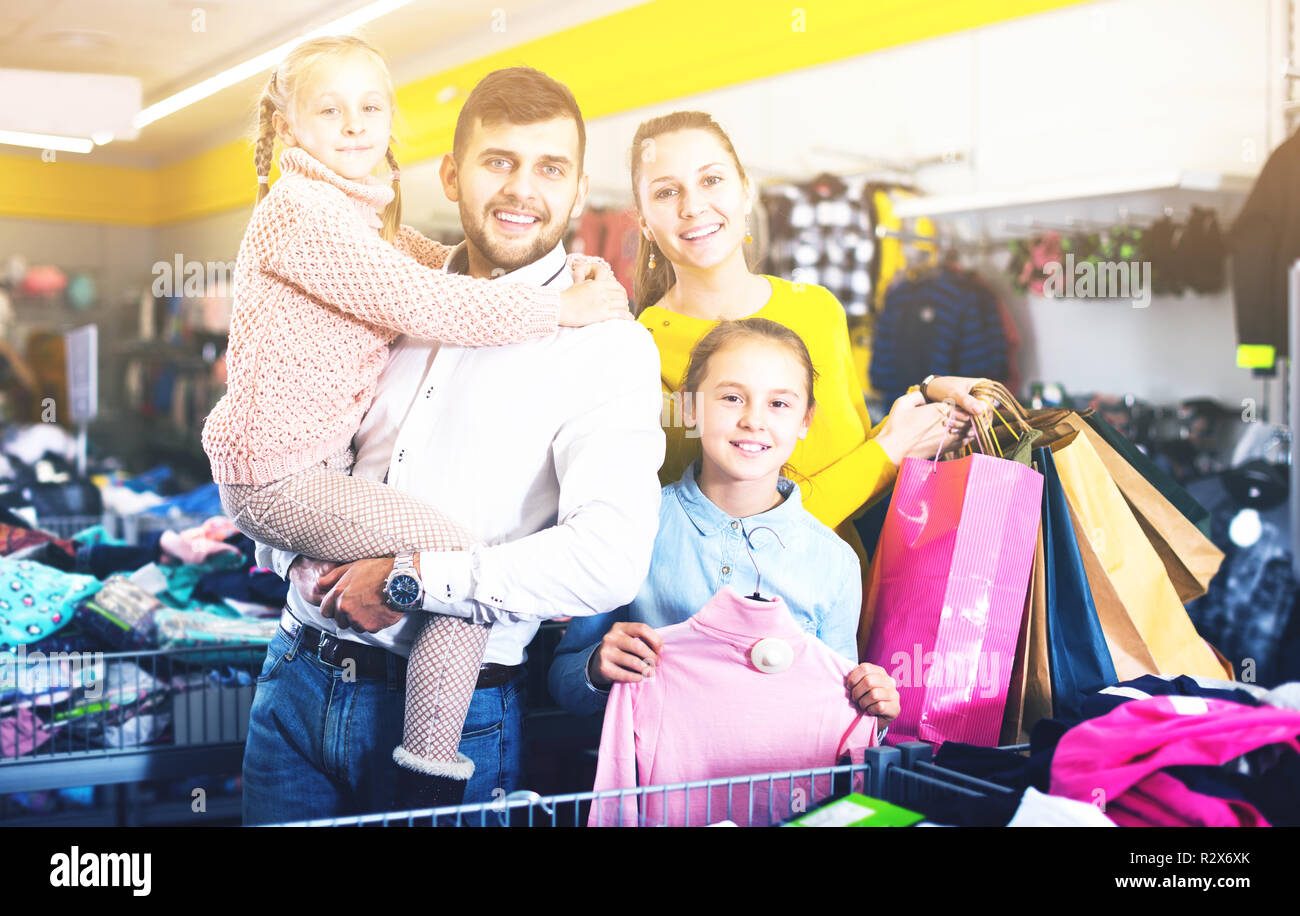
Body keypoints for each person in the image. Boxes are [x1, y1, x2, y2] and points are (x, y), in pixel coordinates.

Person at [203, 36, 631, 802]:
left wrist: (411, 582)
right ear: (450, 173)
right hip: (298, 678)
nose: (522, 189)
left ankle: (431, 763)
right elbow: (312, 471)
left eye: (550, 168)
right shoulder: (393, 285)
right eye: (498, 161)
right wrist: (292, 558)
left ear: (579, 189)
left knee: (447, 548)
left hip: (459, 707)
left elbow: (610, 561)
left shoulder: (603, 341)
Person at [627, 111, 989, 595]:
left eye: (712, 179)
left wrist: (925, 396)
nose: (694, 205)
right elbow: (719, 533)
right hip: (716, 622)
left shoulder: (817, 311)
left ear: (745, 191)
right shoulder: (635, 350)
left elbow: (852, 468)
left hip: (842, 610)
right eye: (666, 192)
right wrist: (891, 449)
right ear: (644, 222)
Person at [550, 318, 938, 727]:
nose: (754, 420)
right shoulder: (631, 526)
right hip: (651, 779)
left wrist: (870, 707)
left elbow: (835, 715)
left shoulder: (836, 563)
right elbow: (562, 681)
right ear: (689, 409)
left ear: (805, 420)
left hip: (777, 787)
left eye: (779, 404)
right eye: (732, 398)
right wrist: (595, 666)